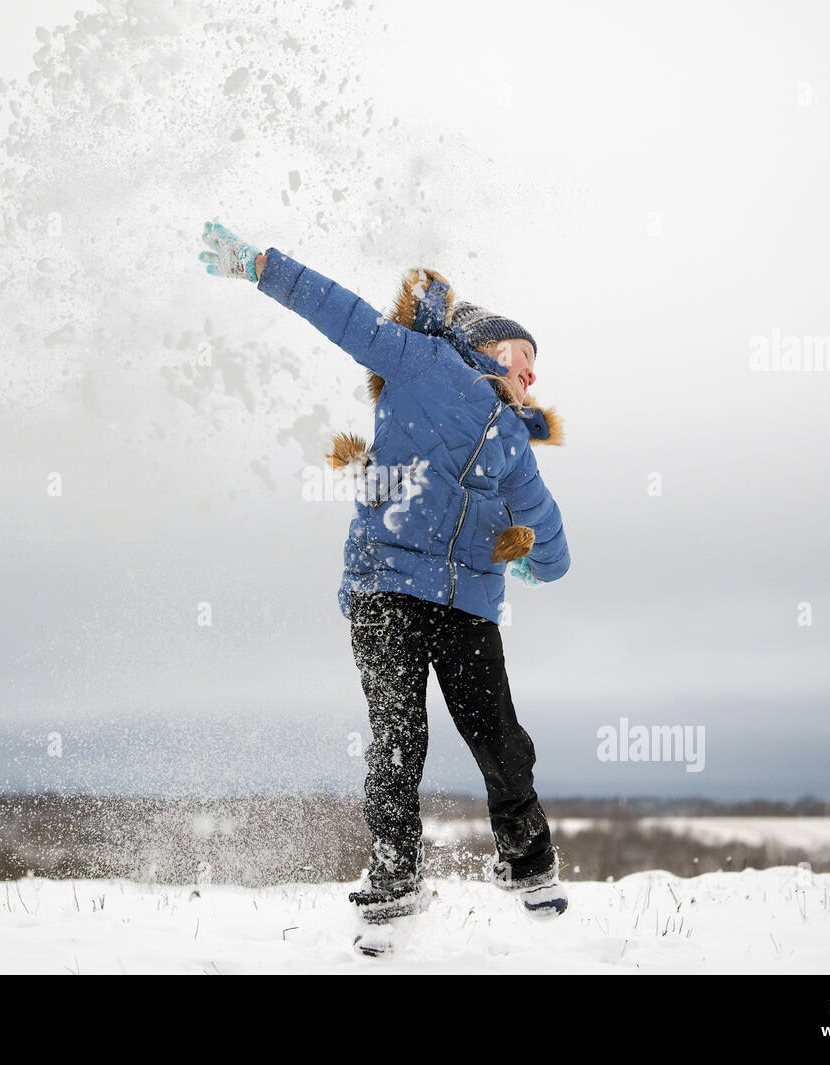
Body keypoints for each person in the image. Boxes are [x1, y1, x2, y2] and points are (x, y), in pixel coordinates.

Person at [199, 222, 572, 924]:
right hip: (388, 584)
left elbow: (553, 546)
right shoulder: (418, 359)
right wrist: (260, 265)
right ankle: (397, 873)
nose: (532, 374)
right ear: (488, 345)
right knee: (400, 733)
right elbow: (337, 310)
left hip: (466, 601)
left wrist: (529, 558)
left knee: (495, 732)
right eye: (524, 356)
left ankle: (529, 863)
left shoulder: (515, 443)